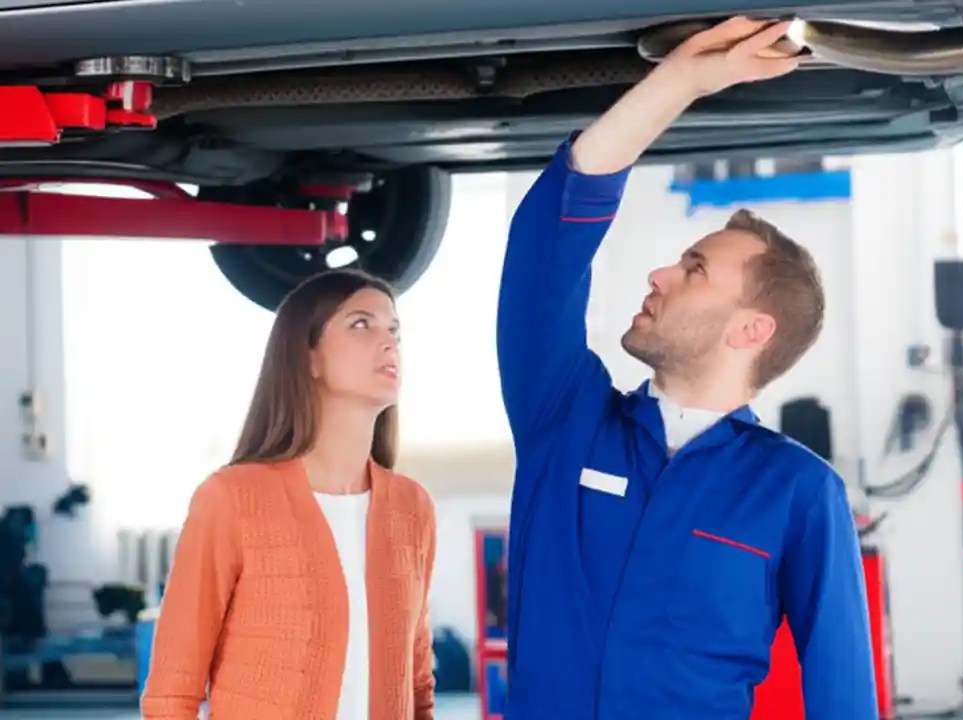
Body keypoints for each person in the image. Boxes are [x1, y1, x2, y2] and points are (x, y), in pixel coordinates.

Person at [496, 16, 878, 720]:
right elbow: (542, 252)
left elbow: (841, 692)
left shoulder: (797, 492)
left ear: (750, 330)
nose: (661, 273)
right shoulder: (567, 421)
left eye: (694, 270)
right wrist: (681, 82)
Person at [141, 269, 438, 720]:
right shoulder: (231, 500)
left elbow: (417, 686)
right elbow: (171, 692)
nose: (389, 342)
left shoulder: (412, 508)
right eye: (362, 324)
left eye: (394, 329)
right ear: (308, 358)